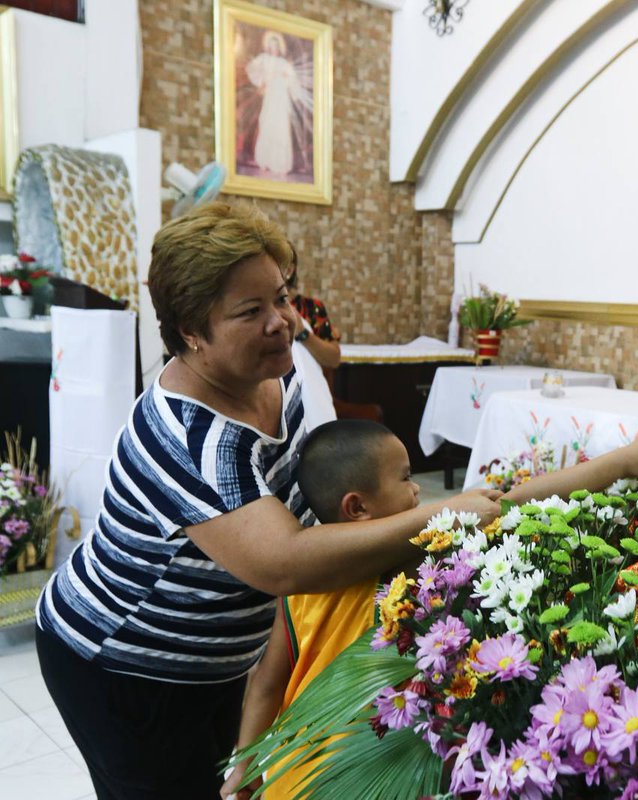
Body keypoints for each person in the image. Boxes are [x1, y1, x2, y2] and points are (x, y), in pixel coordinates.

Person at [32, 202, 504, 800]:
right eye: (250, 311)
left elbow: (313, 511)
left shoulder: (276, 377)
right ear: (191, 335)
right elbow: (285, 561)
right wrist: (441, 514)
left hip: (216, 660)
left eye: (281, 297)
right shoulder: (188, 438)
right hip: (125, 665)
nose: (281, 321)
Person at [222, 418, 638, 799]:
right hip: (365, 770)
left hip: (290, 773)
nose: (417, 492)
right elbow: (514, 501)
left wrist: (243, 768)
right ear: (357, 507)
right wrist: (623, 461)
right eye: (406, 478)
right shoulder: (412, 555)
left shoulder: (302, 576)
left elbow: (267, 682)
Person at [285, 245, 341, 428]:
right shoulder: (260, 309)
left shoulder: (311, 308)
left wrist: (302, 333)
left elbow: (333, 359)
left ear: (289, 270)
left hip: (309, 397)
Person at [246, 31, 304, 176]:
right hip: (271, 94)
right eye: (271, 45)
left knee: (281, 126)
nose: (274, 48)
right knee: (267, 123)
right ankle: (265, 160)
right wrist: (263, 81)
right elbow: (252, 68)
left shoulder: (283, 63)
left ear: (280, 48)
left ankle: (281, 163)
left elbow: (293, 79)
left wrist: (285, 79)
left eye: (276, 46)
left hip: (281, 94)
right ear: (268, 47)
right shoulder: (264, 59)